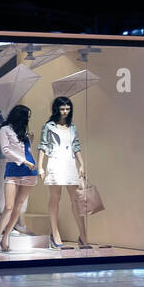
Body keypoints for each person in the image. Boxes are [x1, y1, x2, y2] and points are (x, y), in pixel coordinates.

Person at [37, 95, 89, 248]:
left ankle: (83, 236)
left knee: (76, 200)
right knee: (55, 198)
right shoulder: (49, 126)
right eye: (62, 109)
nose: (65, 111)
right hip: (55, 163)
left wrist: (82, 164)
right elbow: (43, 146)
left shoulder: (72, 127)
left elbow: (76, 146)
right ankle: (55, 233)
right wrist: (40, 166)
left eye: (68, 108)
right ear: (56, 109)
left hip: (70, 164)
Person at [0, 104, 39, 252]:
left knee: (18, 206)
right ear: (19, 115)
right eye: (27, 116)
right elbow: (6, 150)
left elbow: (26, 151)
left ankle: (5, 238)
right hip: (14, 170)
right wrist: (24, 161)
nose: (28, 119)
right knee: (8, 207)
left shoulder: (24, 132)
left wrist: (30, 142)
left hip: (29, 171)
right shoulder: (5, 130)